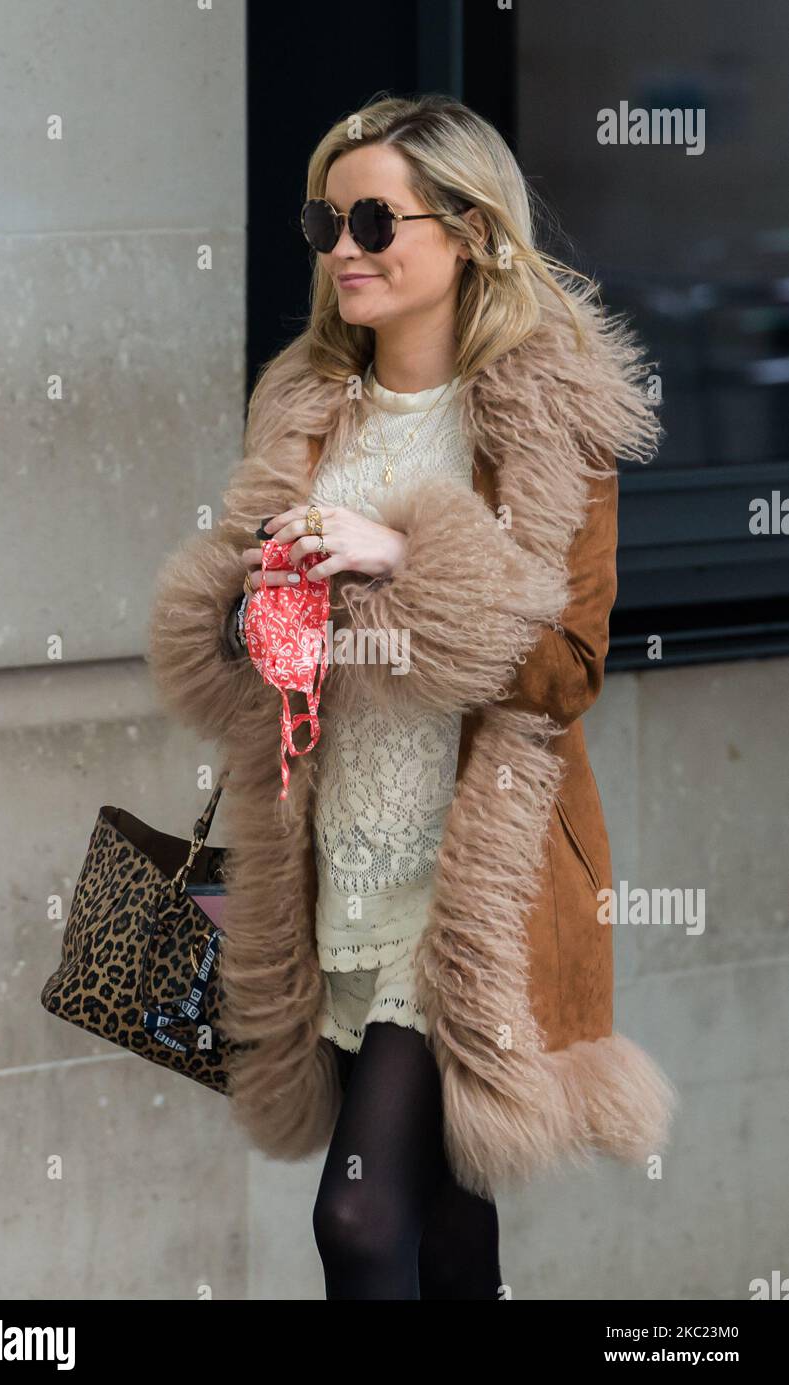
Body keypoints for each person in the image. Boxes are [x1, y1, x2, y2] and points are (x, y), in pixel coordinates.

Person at [147, 93, 678, 1300]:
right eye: (327, 222)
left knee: (359, 1218)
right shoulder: (301, 405)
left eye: (378, 221)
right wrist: (256, 607)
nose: (346, 249)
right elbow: (253, 660)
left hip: (468, 888)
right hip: (334, 859)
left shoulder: (551, 425)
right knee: (443, 1230)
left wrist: (407, 562)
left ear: (473, 233)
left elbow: (566, 670)